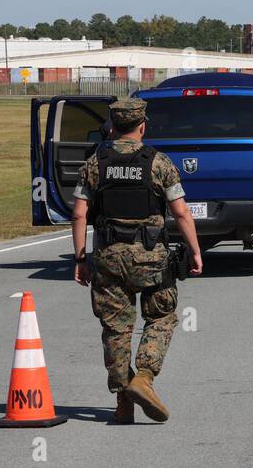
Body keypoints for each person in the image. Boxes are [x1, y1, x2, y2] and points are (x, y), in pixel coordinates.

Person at [71, 98, 203, 424]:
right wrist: (196, 251)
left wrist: (80, 258)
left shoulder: (95, 163)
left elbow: (78, 212)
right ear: (143, 126)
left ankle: (123, 401)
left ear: (112, 127)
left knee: (116, 328)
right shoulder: (157, 163)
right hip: (152, 259)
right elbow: (181, 212)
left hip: (108, 259)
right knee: (161, 317)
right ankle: (144, 377)